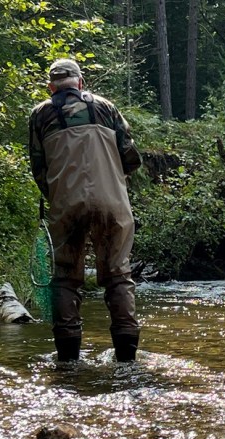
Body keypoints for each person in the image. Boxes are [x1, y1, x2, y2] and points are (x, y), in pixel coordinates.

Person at [28, 58, 142, 362]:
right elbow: (131, 157)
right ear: (80, 83)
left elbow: (38, 170)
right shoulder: (106, 107)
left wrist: (59, 196)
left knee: (65, 277)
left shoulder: (40, 115)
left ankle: (68, 360)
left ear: (51, 87)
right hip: (111, 202)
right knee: (117, 274)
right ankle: (127, 359)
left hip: (66, 204)